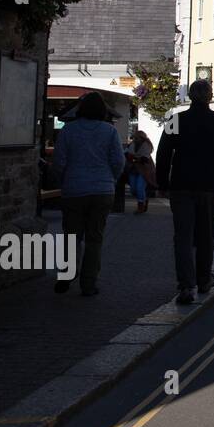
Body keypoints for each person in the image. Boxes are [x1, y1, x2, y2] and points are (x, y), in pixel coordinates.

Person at [156, 79, 214, 305]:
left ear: (190, 96)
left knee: (182, 237)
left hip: (181, 185)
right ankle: (203, 280)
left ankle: (185, 286)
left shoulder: (175, 120)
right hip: (210, 185)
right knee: (205, 236)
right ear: (210, 96)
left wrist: (162, 184)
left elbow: (163, 156)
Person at [53, 91, 125, 295]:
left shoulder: (68, 130)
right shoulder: (109, 131)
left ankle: (66, 276)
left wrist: (63, 181)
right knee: (95, 238)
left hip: (74, 189)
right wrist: (111, 180)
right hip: (102, 190)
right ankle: (88, 283)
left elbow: (59, 161)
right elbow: (118, 161)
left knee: (70, 236)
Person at [127, 129, 155, 215]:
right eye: (135, 137)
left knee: (139, 187)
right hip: (133, 168)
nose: (135, 139)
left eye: (137, 137)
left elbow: (144, 159)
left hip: (144, 169)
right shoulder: (132, 145)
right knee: (133, 189)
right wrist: (134, 159)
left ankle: (141, 206)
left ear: (142, 138)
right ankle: (144, 199)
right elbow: (128, 155)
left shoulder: (147, 146)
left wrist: (134, 158)